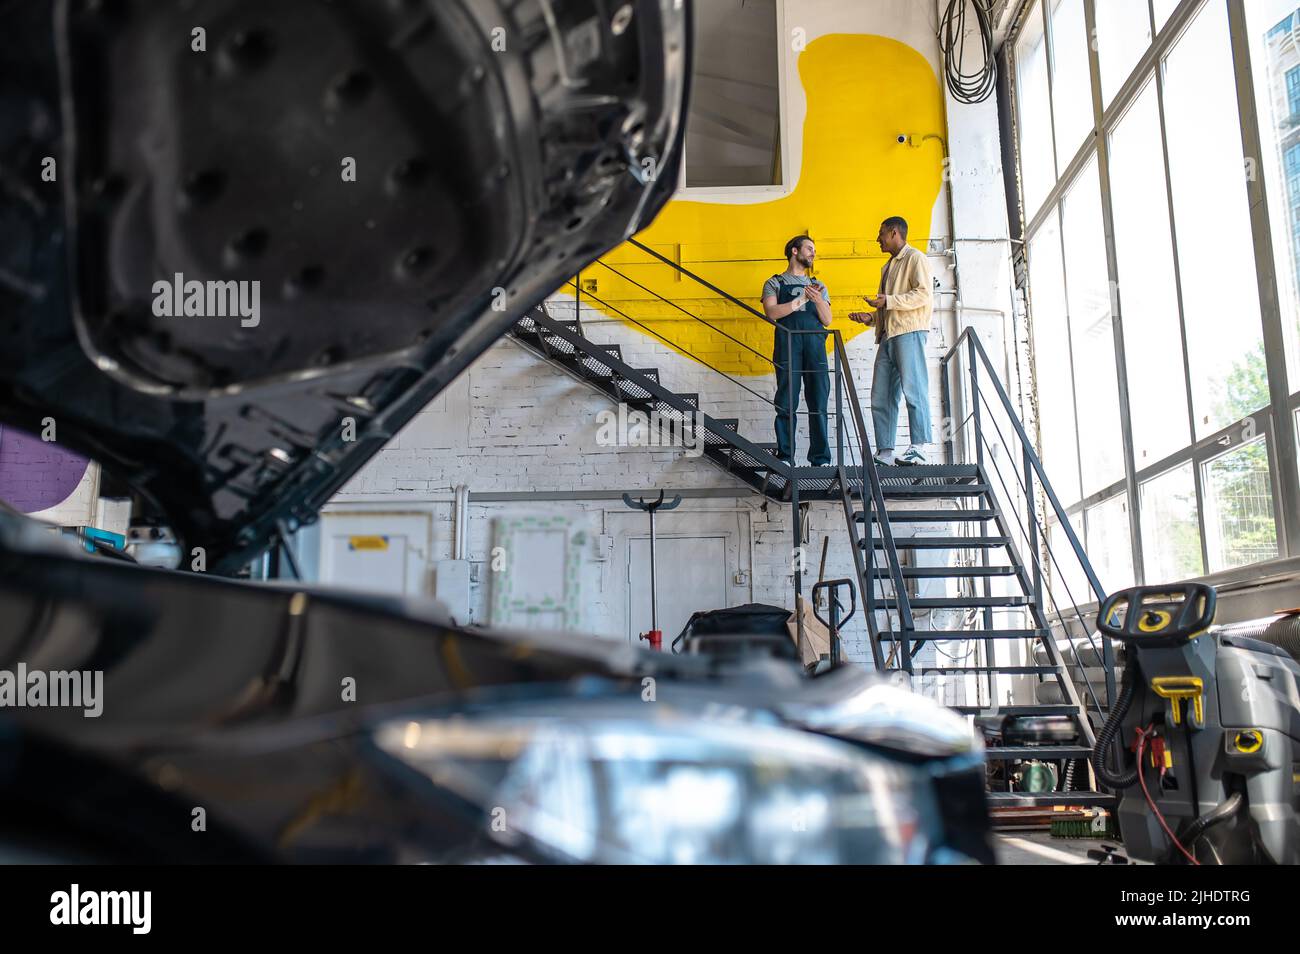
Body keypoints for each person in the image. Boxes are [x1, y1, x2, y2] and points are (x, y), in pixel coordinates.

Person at [852, 216, 933, 466]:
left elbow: (923, 294)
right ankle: (885, 452)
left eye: (881, 233)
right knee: (881, 395)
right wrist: (871, 317)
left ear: (894, 233)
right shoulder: (887, 267)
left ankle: (918, 448)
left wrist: (887, 301)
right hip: (887, 336)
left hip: (909, 333)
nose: (878, 239)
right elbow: (891, 305)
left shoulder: (915, 258)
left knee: (914, 388)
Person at [762, 235, 832, 466]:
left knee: (818, 403)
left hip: (815, 347)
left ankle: (820, 459)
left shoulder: (819, 286)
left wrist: (818, 300)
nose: (813, 253)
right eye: (809, 248)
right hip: (787, 346)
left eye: (814, 249)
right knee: (786, 402)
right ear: (794, 251)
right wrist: (801, 300)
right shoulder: (775, 282)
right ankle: (785, 457)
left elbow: (828, 320)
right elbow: (771, 312)